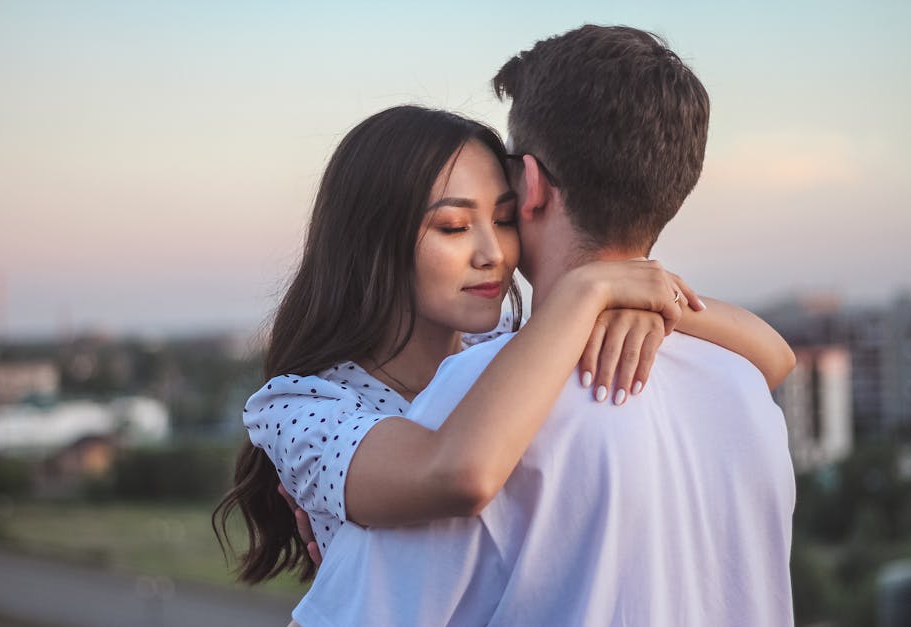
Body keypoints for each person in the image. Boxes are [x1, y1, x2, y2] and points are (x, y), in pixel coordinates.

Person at [286, 25, 796, 627]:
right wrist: (613, 289)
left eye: (500, 213)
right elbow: (778, 357)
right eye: (454, 226)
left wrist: (348, 572)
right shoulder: (738, 382)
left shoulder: (483, 390)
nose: (487, 251)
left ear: (529, 186)